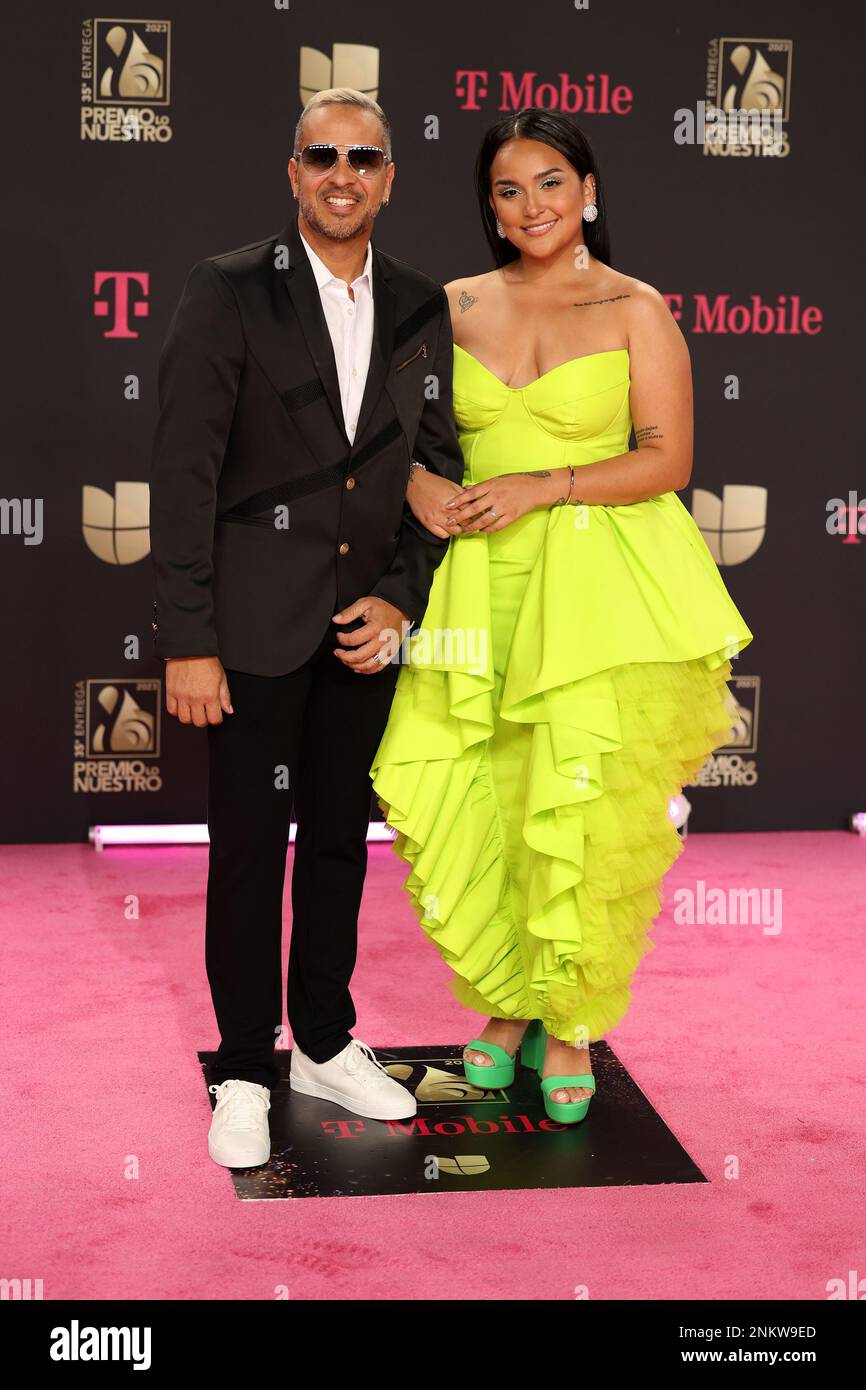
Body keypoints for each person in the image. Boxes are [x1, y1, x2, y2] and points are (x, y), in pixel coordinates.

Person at [370, 108, 754, 1125]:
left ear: (587, 192)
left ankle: (573, 1015)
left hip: (595, 588)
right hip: (478, 583)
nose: (530, 204)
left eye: (549, 182)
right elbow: (383, 437)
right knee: (495, 791)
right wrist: (413, 485)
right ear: (487, 209)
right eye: (507, 189)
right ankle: (506, 1004)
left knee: (577, 802)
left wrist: (548, 484)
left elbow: (666, 460)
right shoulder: (447, 305)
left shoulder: (634, 307)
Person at [149, 88, 464, 1167]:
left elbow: (439, 467)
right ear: (292, 172)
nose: (341, 173)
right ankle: (242, 1065)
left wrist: (402, 597)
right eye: (320, 155)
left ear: (388, 176)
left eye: (363, 156)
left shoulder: (423, 305)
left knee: (337, 841)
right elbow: (183, 471)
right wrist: (188, 636)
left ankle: (322, 1040)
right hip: (244, 630)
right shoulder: (228, 288)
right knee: (247, 850)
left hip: (360, 629)